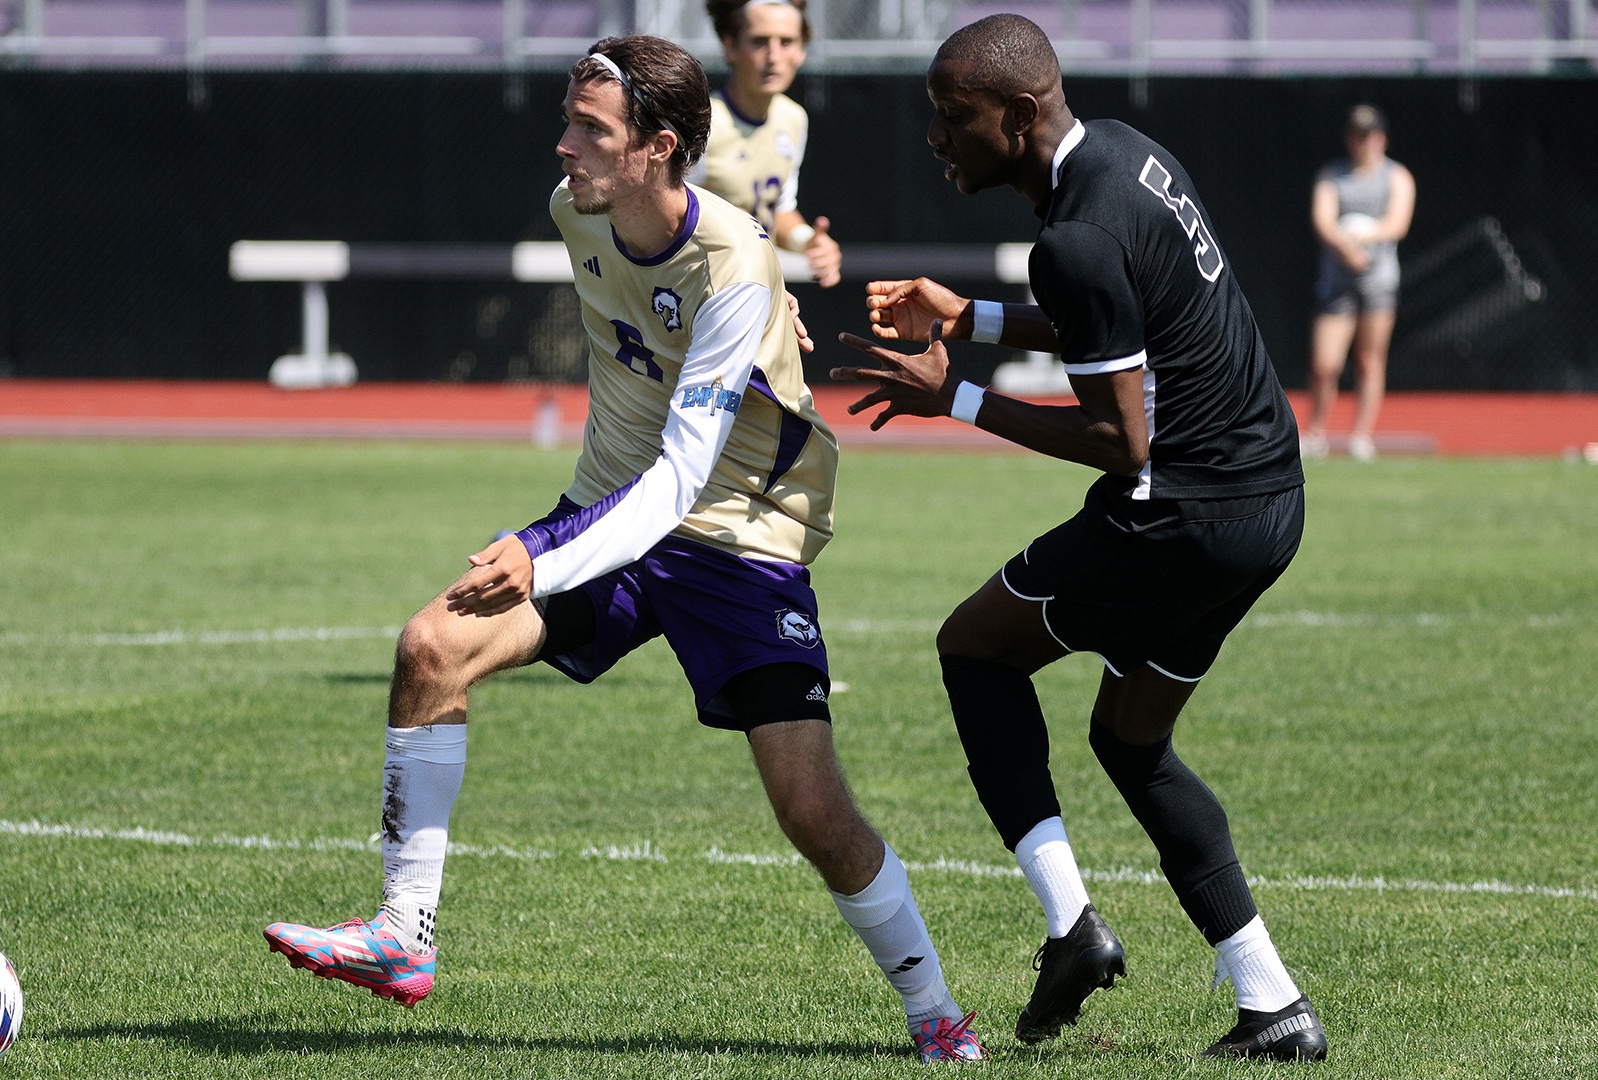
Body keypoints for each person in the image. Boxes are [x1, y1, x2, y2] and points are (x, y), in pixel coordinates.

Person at [262, 34, 985, 1063]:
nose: (563, 147)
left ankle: (936, 1016)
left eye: (588, 131)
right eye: (568, 122)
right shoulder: (578, 212)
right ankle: (401, 938)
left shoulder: (735, 262)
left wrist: (544, 561)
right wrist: (563, 541)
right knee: (431, 650)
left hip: (740, 537)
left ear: (656, 147)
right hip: (612, 512)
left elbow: (688, 474)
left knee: (814, 811)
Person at [830, 14, 1326, 1062]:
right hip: (1268, 505)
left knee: (973, 647)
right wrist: (971, 317)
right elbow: (1110, 314)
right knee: (1130, 742)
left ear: (1014, 118)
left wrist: (952, 395)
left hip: (1181, 514)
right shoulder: (1128, 160)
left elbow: (1117, 437)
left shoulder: (1077, 234)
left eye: (951, 117)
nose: (935, 136)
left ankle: (1071, 928)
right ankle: (1272, 1003)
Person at [691, 0, 843, 288]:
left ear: (801, 51)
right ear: (730, 46)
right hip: (700, 293)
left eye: (786, 42)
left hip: (760, 288)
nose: (773, 56)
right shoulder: (703, 123)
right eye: (759, 41)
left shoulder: (793, 118)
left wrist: (810, 242)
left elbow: (779, 212)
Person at [1301, 104, 1416, 462]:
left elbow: (1397, 223)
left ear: (1381, 138)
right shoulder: (1331, 175)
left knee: (1369, 360)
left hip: (1378, 282)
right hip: (1337, 284)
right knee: (1325, 363)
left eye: (1369, 135)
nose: (1362, 142)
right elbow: (1323, 220)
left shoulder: (1397, 177)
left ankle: (1361, 436)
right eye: (1356, 135)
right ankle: (1316, 432)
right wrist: (1345, 246)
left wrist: (1362, 242)